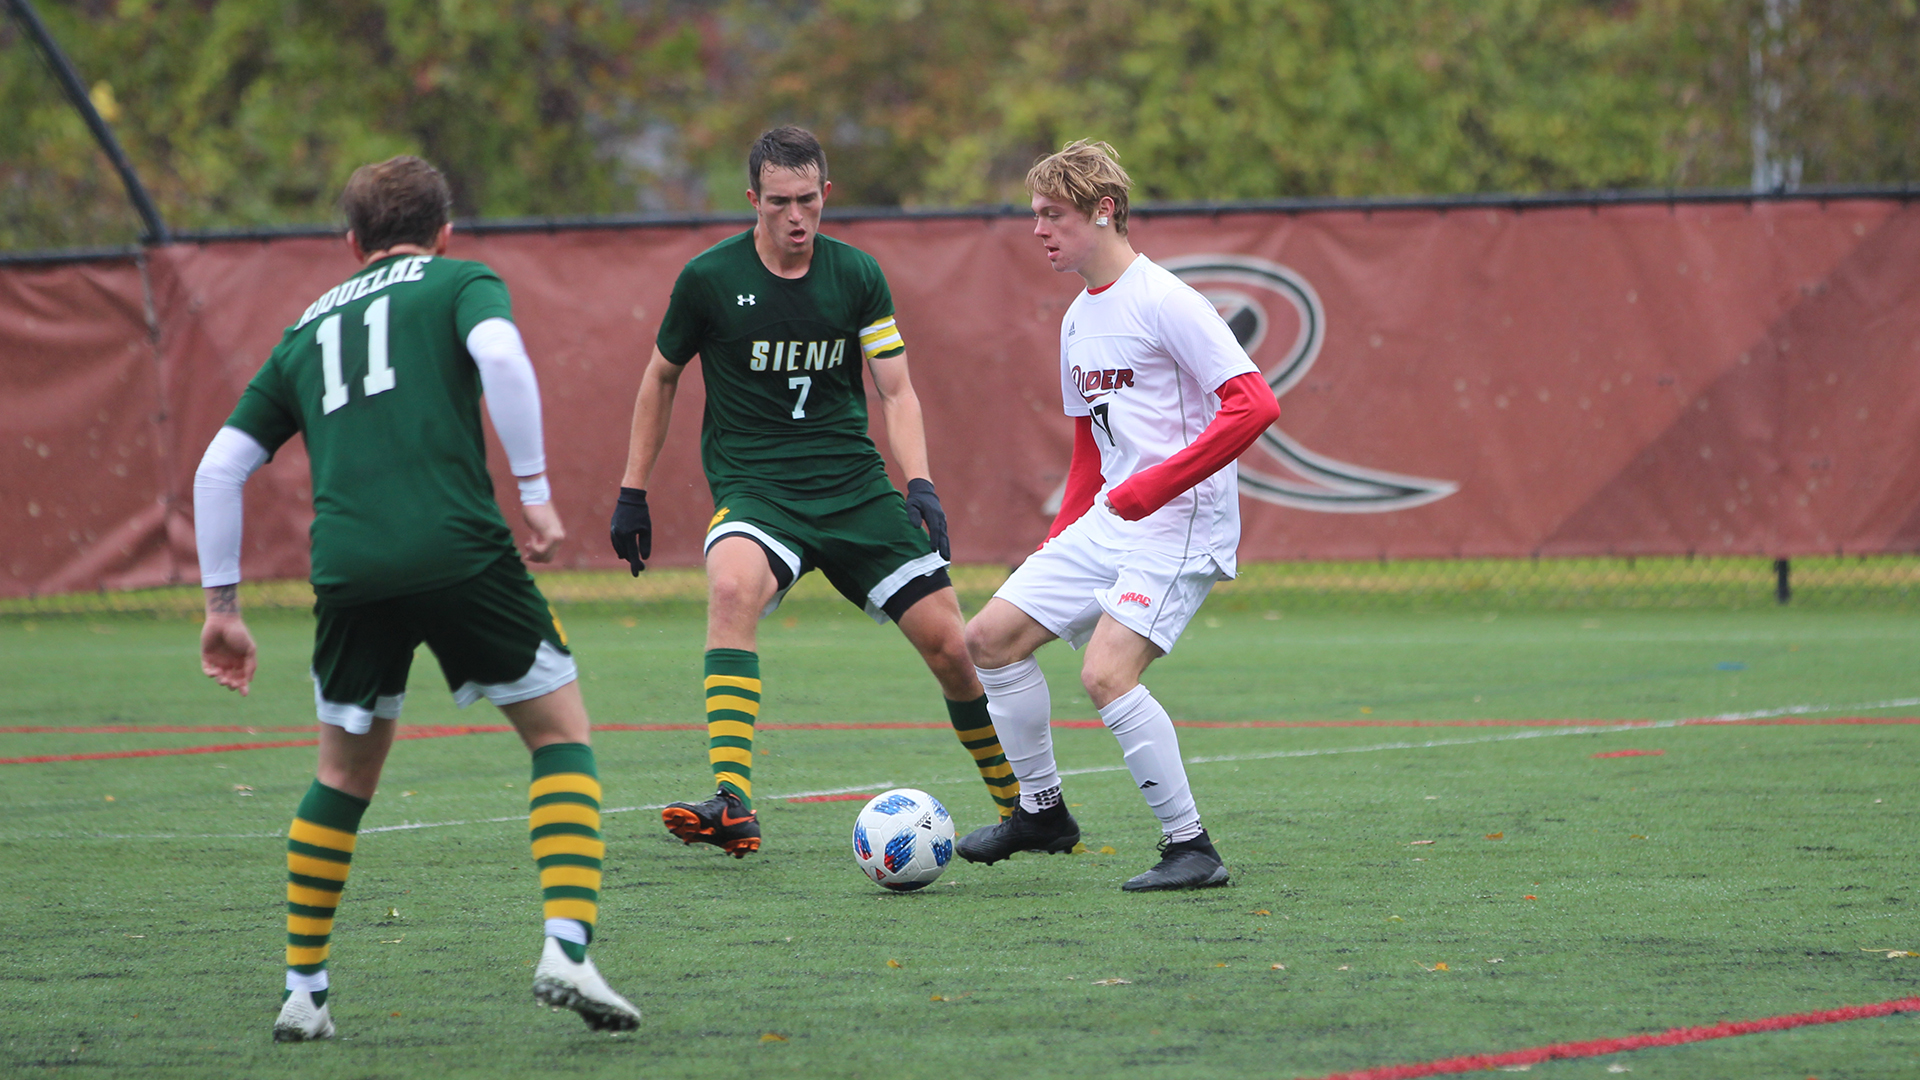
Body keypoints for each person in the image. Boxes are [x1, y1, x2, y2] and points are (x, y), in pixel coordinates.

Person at [193, 156, 641, 1041]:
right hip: (461, 552)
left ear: (350, 243)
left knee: (341, 776)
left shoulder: (301, 331)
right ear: (444, 233)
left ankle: (304, 991)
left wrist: (222, 607)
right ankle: (565, 944)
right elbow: (502, 356)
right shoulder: (458, 280)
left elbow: (219, 466)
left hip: (349, 573)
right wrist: (538, 493)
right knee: (559, 735)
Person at [608, 126, 1017, 857]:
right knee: (731, 588)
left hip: (855, 488)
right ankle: (732, 802)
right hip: (759, 489)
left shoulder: (857, 275)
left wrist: (919, 483)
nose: (795, 217)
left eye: (807, 200)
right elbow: (660, 377)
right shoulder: (707, 279)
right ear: (752, 202)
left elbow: (897, 389)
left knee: (954, 646)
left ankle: (1024, 809)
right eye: (777, 203)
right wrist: (631, 490)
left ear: (826, 195)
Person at [955, 140, 1282, 891]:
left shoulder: (1167, 300)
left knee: (1106, 675)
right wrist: (1061, 536)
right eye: (1035, 215)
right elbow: (1087, 447)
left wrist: (1154, 487)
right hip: (1113, 517)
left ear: (1104, 211)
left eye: (1053, 215)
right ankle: (1041, 814)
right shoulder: (1076, 318)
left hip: (1179, 522)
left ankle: (1191, 848)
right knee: (990, 638)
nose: (1039, 229)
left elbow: (1254, 403)